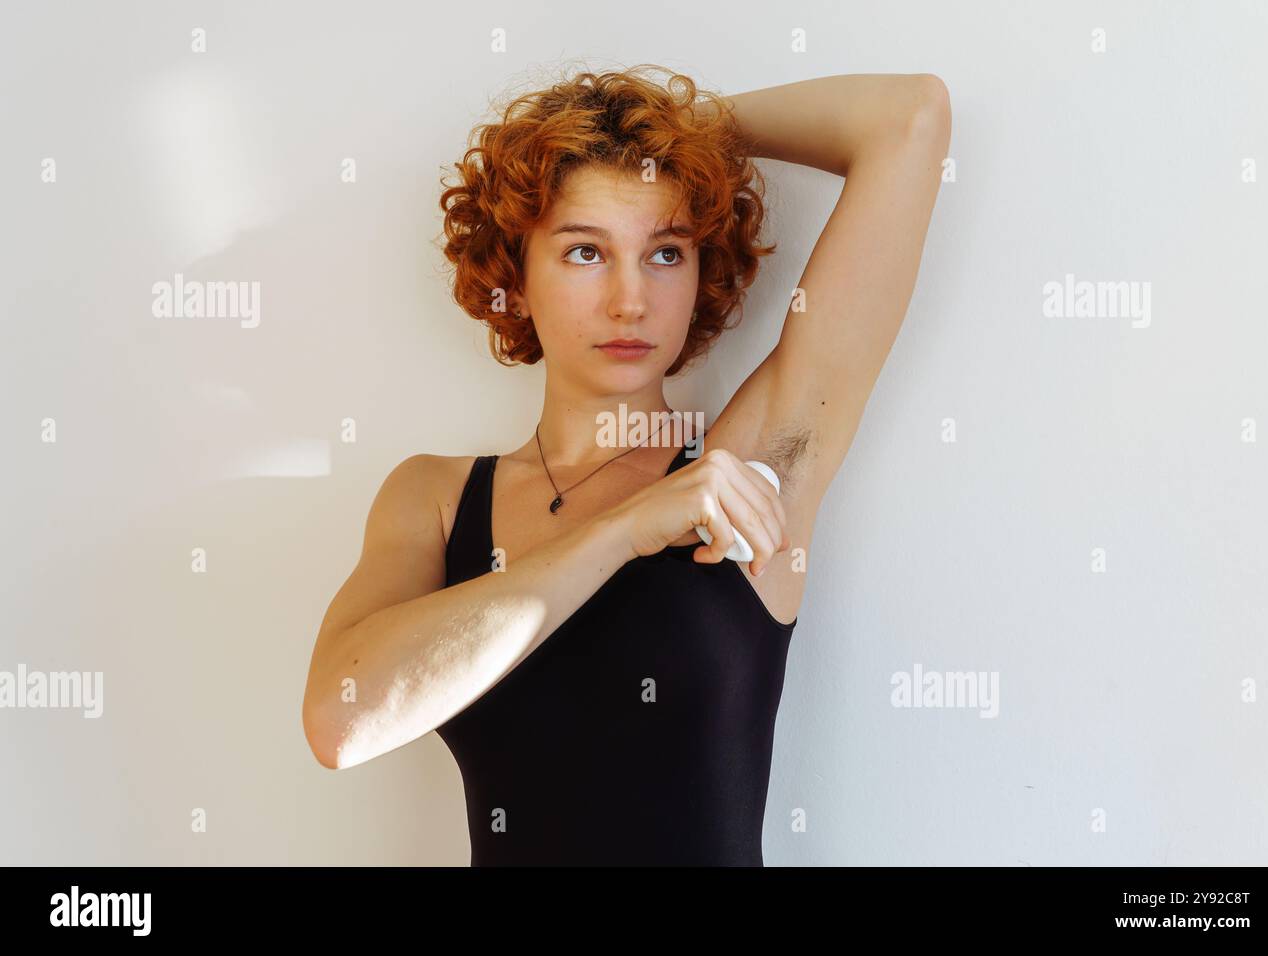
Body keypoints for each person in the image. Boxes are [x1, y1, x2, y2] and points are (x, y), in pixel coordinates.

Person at [302, 64, 950, 865]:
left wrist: (665, 135)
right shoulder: (435, 498)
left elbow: (908, 119)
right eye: (584, 251)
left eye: (666, 252)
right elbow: (343, 720)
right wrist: (626, 529)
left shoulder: (749, 466)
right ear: (517, 271)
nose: (630, 299)